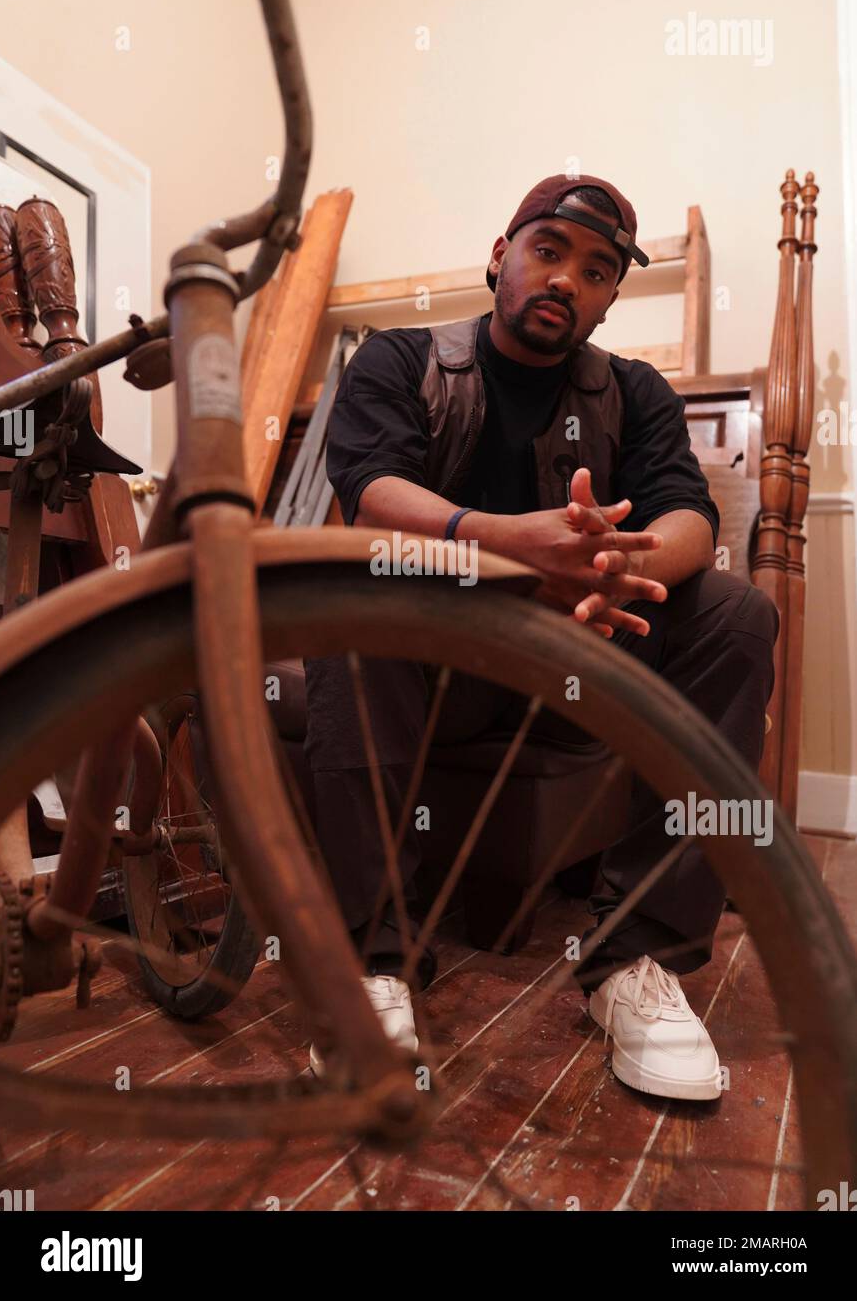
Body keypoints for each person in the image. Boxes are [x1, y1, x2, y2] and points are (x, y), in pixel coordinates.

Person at [303, 173, 778, 1100]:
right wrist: (510, 547)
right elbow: (372, 491)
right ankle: (377, 965)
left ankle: (634, 964)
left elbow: (689, 517)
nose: (568, 280)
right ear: (500, 257)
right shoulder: (401, 359)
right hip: (437, 669)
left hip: (581, 659)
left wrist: (612, 568)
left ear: (607, 299)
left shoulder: (634, 391)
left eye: (598, 271)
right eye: (549, 252)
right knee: (352, 597)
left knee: (735, 612)